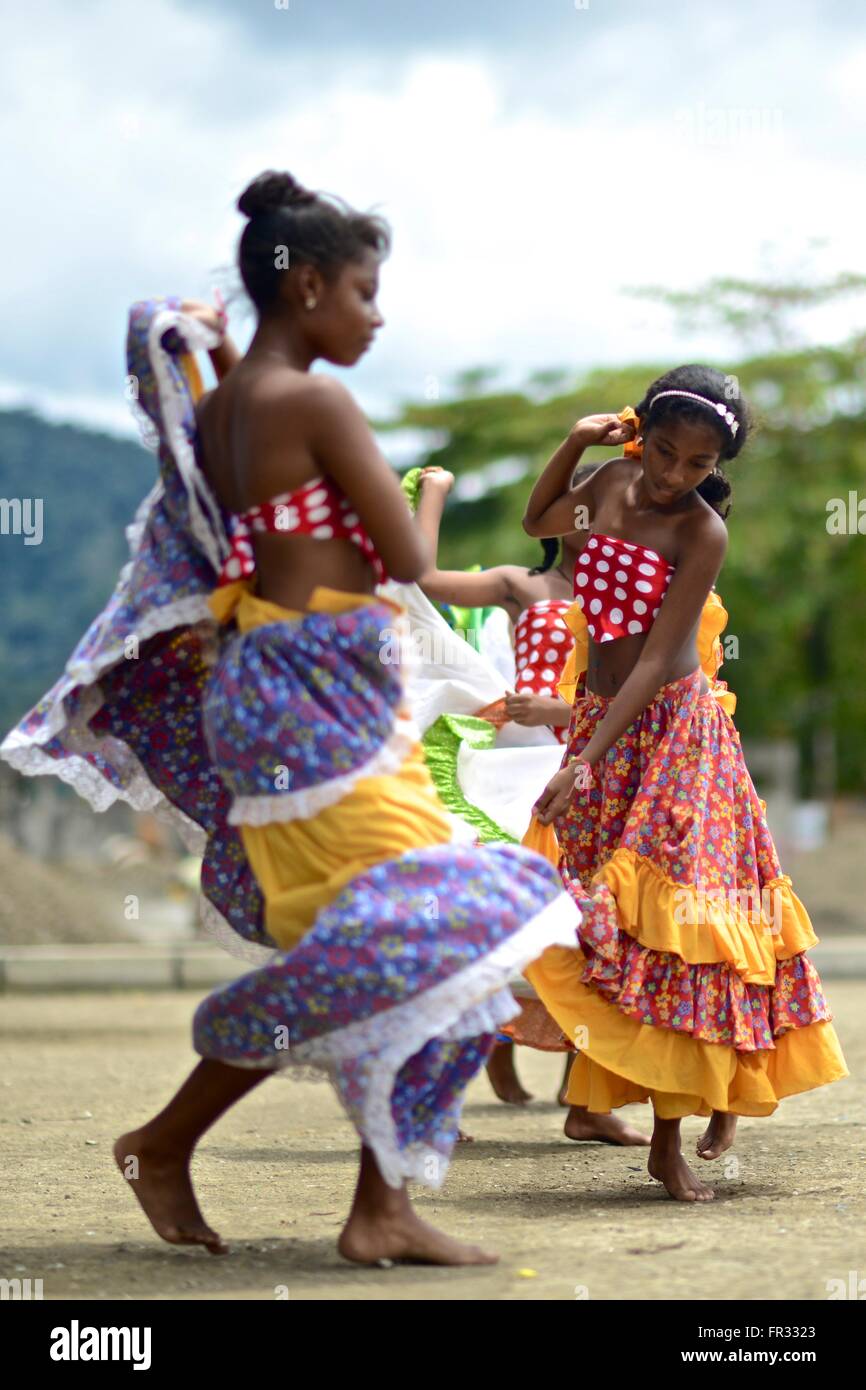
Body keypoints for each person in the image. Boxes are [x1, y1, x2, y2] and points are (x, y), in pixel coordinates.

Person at [1, 170, 589, 1264]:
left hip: (288, 687)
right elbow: (403, 557)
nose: (377, 317)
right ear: (307, 284)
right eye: (365, 292)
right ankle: (182, 1143)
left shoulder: (228, 403)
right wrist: (426, 498)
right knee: (420, 928)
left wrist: (229, 349)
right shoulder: (314, 404)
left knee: (390, 940)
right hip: (316, 697)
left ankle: (370, 1203)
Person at [522, 366, 848, 1202]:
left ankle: (672, 1139)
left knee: (682, 920)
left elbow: (666, 658)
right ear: (642, 437)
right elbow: (541, 522)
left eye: (698, 464)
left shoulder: (702, 532)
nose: (675, 474)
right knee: (618, 925)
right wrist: (574, 442)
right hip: (601, 719)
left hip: (674, 733)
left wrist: (586, 758)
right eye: (665, 451)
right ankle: (693, 1091)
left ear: (716, 467)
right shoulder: (611, 481)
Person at [412, 466, 647, 1144]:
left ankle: (585, 1102)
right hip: (512, 768)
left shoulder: (633, 597)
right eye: (581, 502)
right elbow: (420, 580)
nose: (593, 515)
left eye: (609, 504)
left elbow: (646, 692)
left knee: (595, 921)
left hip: (590, 762)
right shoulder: (522, 584)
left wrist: (564, 712)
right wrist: (435, 493)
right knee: (482, 921)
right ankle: (436, 1102)